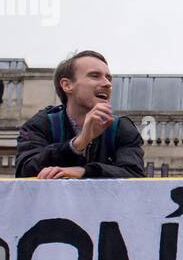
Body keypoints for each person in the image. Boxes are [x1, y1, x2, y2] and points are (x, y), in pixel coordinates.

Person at [15, 50, 145, 179]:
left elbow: (135, 176)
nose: (107, 83)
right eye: (95, 76)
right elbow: (24, 171)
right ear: (67, 85)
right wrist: (78, 143)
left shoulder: (121, 128)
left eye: (108, 78)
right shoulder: (41, 124)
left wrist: (84, 172)